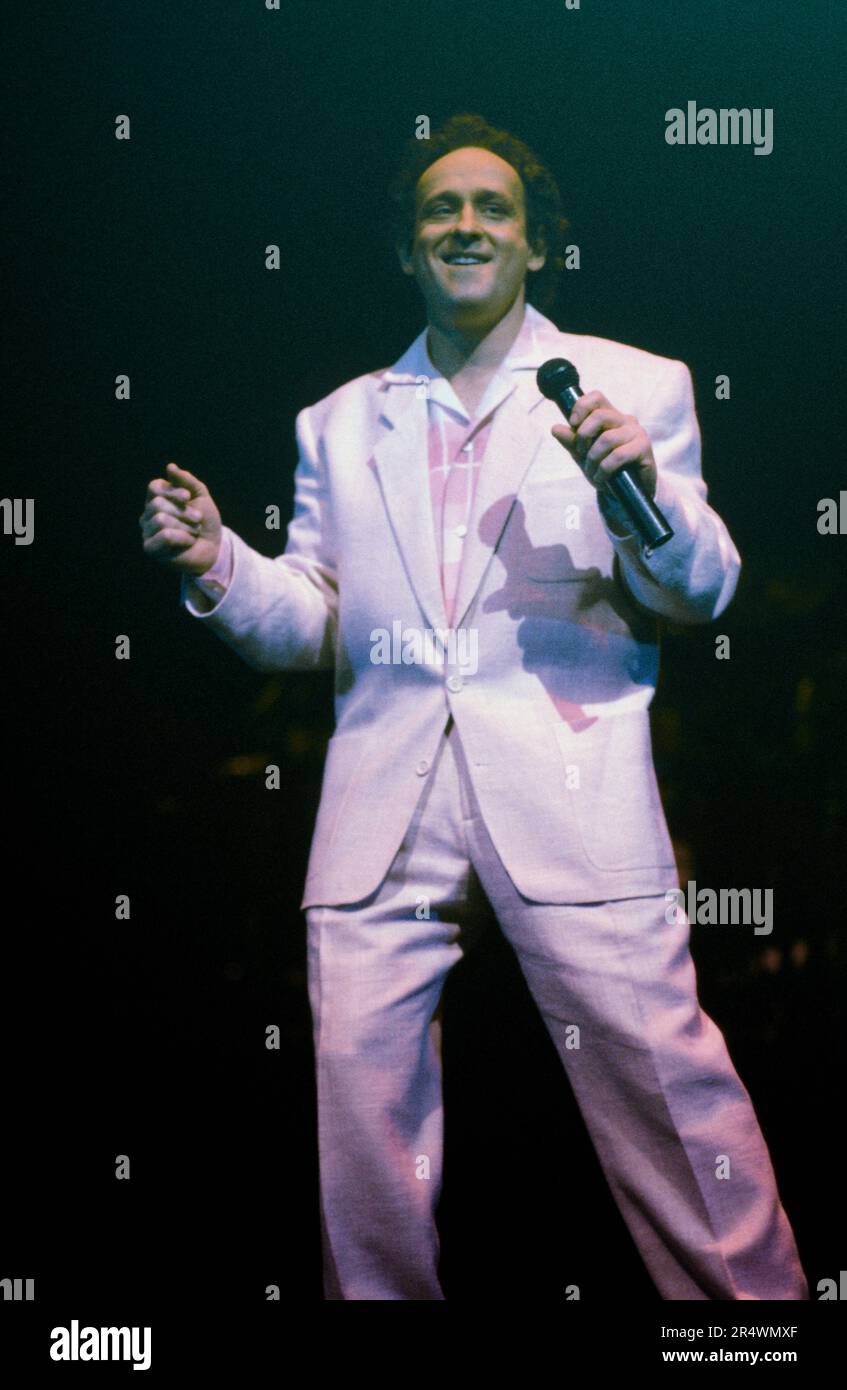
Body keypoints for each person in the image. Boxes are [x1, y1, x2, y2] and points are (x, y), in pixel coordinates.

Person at [139, 113, 808, 1301]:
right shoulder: (339, 422)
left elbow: (701, 588)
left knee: (667, 1093)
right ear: (407, 248)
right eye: (439, 210)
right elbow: (318, 623)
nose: (464, 225)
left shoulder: (629, 384)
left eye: (491, 208)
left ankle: (751, 1328)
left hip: (567, 789)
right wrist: (219, 568)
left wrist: (636, 490)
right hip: (381, 809)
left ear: (535, 242)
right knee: (361, 1126)